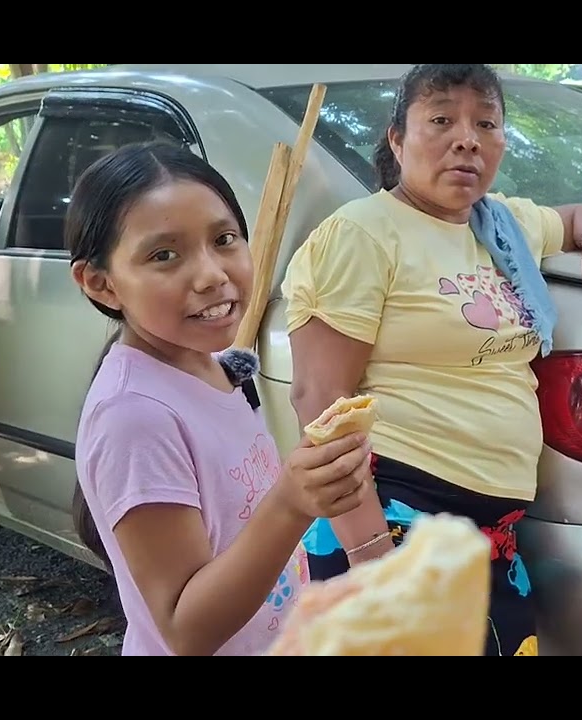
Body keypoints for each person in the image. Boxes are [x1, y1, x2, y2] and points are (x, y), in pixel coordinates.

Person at [282, 64, 582, 657]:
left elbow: (581, 215)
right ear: (397, 138)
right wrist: (372, 556)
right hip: (397, 526)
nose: (467, 139)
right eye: (441, 120)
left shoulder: (500, 225)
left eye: (486, 123)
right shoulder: (364, 234)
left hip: (490, 541)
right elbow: (322, 405)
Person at [67, 142, 374, 656]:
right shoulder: (134, 417)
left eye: (224, 239)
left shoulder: (211, 365)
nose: (211, 274)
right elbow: (186, 631)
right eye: (164, 255)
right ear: (101, 284)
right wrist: (293, 504)